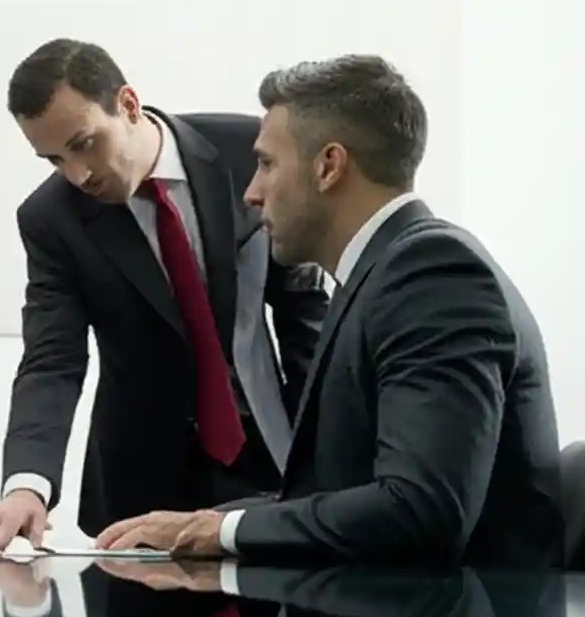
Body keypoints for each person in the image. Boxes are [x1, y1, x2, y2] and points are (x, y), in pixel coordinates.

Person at [95, 54, 564, 566]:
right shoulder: (384, 273)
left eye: (268, 163)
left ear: (329, 166)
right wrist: (197, 525)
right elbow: (346, 490)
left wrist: (224, 529)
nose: (251, 192)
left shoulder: (433, 275)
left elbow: (420, 510)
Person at [0, 39, 330, 554]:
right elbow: (52, 361)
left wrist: (332, 457)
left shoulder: (250, 152)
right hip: (139, 493)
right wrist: (27, 484)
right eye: (53, 159)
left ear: (128, 105)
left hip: (271, 462)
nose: (77, 174)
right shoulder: (50, 219)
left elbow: (306, 315)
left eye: (84, 143)